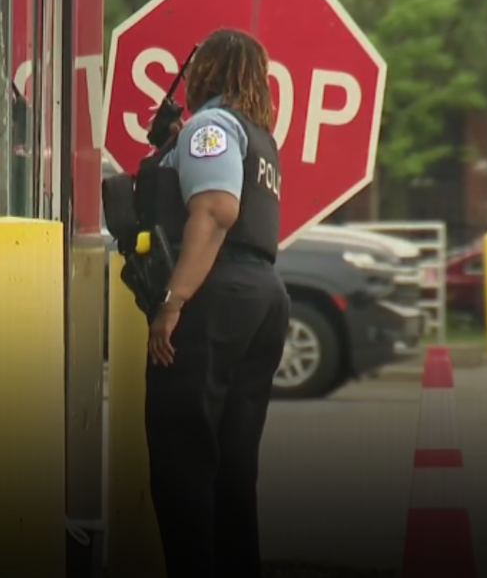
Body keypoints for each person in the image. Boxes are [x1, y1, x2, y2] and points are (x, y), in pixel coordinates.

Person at [143, 28, 291, 578]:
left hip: (215, 296)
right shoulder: (257, 137)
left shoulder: (214, 125)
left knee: (183, 461)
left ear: (208, 71)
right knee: (232, 467)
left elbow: (214, 212)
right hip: (261, 297)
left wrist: (173, 300)